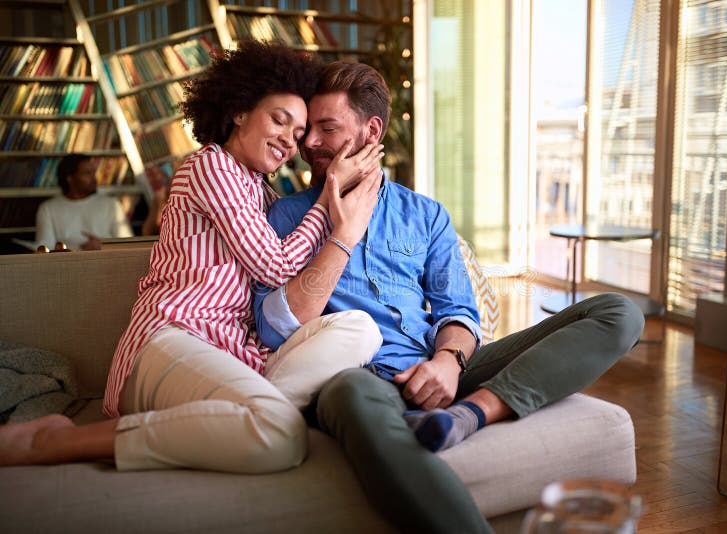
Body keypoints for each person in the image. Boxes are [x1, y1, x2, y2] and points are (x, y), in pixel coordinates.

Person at [253, 61, 646, 533]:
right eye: (307, 129)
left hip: (440, 370)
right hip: (357, 378)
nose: (309, 142)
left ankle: (473, 413)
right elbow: (273, 329)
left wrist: (447, 362)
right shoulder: (283, 217)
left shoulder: (425, 215)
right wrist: (340, 227)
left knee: (616, 312)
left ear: (370, 130)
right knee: (351, 395)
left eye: (327, 128)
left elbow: (458, 309)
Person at [0, 42, 385, 473]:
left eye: (298, 134)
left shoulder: (262, 193)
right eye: (279, 120)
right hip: (171, 339)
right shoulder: (210, 167)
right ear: (240, 110)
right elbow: (276, 266)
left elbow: (287, 278)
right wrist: (331, 209)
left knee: (361, 329)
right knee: (280, 437)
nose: (290, 141)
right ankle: (60, 440)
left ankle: (249, 411)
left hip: (237, 354)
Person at [35, 153, 134, 251]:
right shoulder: (48, 209)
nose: (94, 178)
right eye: (87, 173)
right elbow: (44, 250)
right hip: (67, 265)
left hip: (107, 264)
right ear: (70, 178)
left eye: (93, 172)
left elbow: (129, 245)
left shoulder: (112, 205)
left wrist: (102, 246)